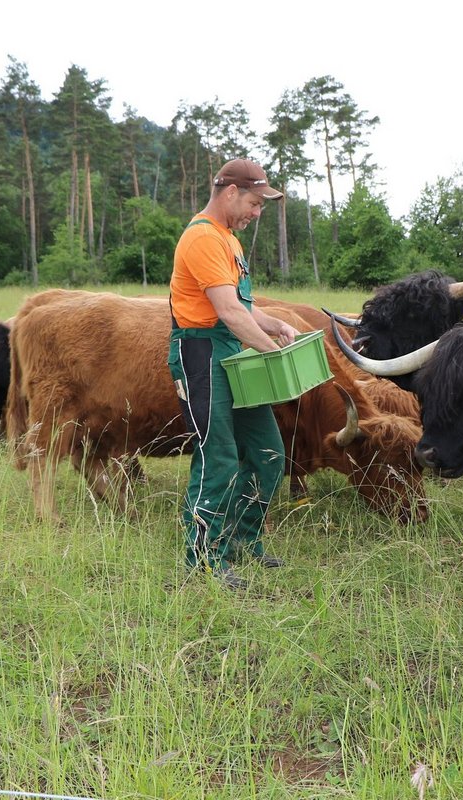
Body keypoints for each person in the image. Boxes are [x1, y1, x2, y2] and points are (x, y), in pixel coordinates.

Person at [167, 158, 300, 590]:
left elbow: (240, 306)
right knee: (218, 456)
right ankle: (202, 559)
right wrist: (272, 351)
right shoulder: (202, 238)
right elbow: (225, 311)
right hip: (201, 353)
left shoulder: (229, 240)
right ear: (229, 193)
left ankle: (243, 541)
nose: (256, 213)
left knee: (268, 454)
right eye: (254, 202)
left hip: (229, 351)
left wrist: (274, 324)